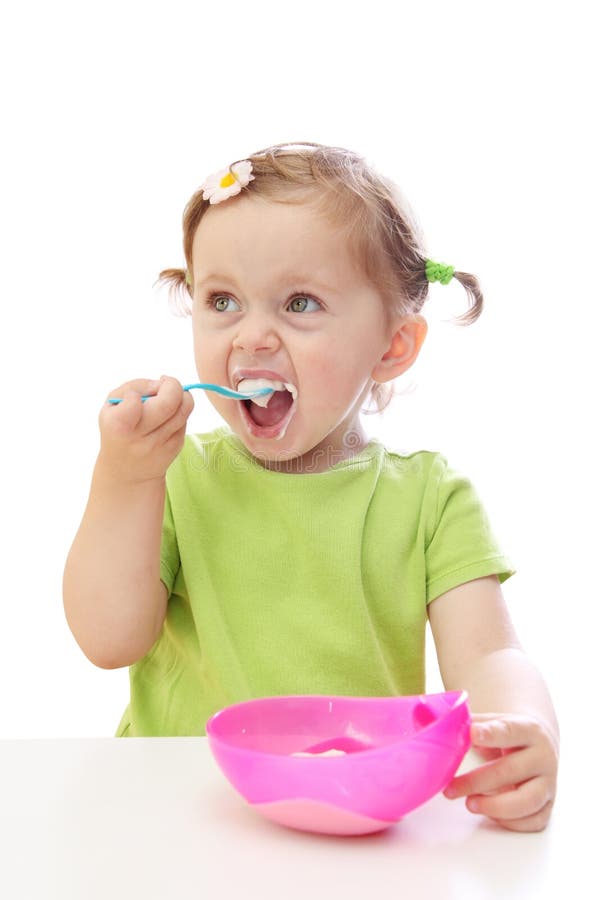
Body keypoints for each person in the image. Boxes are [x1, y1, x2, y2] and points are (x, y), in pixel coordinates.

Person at [63, 141, 559, 832]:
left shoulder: (430, 499)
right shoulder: (172, 476)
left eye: (299, 303)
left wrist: (524, 729)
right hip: (182, 819)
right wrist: (123, 478)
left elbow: (490, 654)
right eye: (223, 300)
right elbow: (106, 639)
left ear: (392, 347)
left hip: (354, 824)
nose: (251, 337)